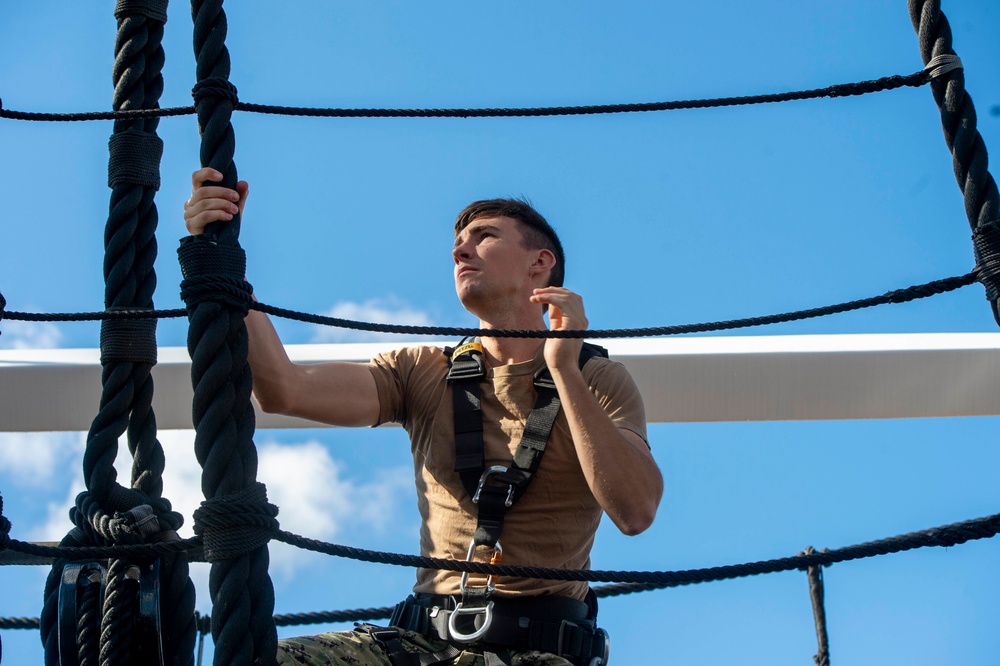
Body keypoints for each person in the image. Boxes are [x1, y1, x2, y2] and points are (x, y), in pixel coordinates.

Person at [183, 167, 663, 666]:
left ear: (540, 263)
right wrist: (221, 262)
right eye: (459, 242)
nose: (460, 251)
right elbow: (285, 389)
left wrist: (564, 369)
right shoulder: (421, 371)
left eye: (484, 237)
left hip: (537, 652)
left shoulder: (599, 379)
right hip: (423, 644)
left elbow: (635, 512)